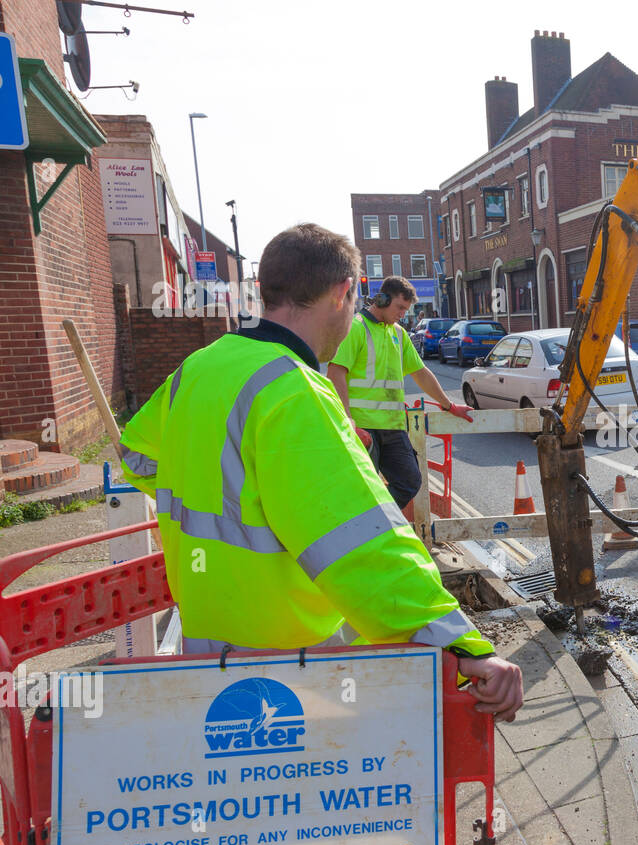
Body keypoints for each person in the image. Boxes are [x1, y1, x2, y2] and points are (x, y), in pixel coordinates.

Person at [120, 224, 523, 721]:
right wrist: (463, 645)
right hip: (287, 666)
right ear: (344, 293)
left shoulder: (201, 365)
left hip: (206, 649)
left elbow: (137, 457)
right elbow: (365, 546)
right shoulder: (293, 390)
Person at [326, 276, 474, 522]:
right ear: (382, 299)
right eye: (399, 308)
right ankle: (365, 538)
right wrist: (349, 421)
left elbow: (421, 373)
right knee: (362, 489)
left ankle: (371, 523)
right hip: (364, 428)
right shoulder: (356, 328)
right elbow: (336, 372)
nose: (403, 315)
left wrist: (449, 405)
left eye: (407, 310)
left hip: (393, 427)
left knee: (409, 481)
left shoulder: (398, 334)